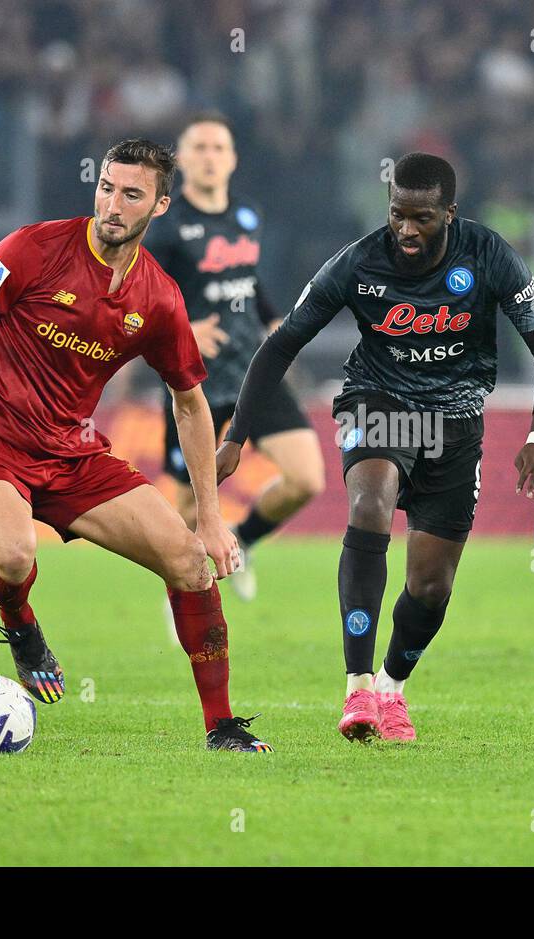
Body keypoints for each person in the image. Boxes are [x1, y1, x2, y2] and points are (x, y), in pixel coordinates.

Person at [0, 138, 272, 752]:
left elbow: (190, 402)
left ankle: (221, 727)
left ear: (161, 205)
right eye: (107, 187)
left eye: (132, 194)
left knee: (192, 565)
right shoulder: (32, 252)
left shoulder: (158, 299)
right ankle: (20, 622)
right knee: (12, 553)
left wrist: (213, 521)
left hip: (69, 451)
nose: (113, 204)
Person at [217, 153, 534, 742]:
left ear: (450, 214)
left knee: (432, 587)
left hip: (456, 423)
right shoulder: (358, 263)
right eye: (397, 214)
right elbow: (280, 347)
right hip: (377, 400)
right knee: (369, 505)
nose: (406, 229)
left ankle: (391, 688)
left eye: (422, 217)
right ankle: (357, 687)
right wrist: (237, 436)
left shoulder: (489, 256)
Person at [144, 112, 324, 602]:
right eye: (199, 148)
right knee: (187, 503)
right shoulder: (166, 227)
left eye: (218, 148)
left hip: (253, 370)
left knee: (307, 477)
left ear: (232, 160)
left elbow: (248, 278)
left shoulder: (247, 215)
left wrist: (272, 322)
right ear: (181, 160)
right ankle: (186, 593)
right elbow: (140, 294)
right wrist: (181, 330)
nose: (209, 157)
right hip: (193, 379)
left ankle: (242, 539)